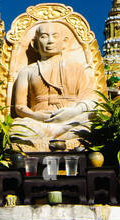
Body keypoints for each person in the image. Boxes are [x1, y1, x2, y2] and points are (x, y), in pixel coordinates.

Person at [10, 22, 95, 150]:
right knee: (17, 129)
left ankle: (47, 141)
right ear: (35, 43)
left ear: (65, 42)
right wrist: (35, 116)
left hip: (72, 120)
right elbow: (19, 107)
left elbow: (92, 100)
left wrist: (72, 112)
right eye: (44, 37)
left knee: (91, 125)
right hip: (38, 123)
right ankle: (64, 140)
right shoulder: (27, 71)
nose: (50, 41)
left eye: (55, 36)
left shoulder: (78, 68)